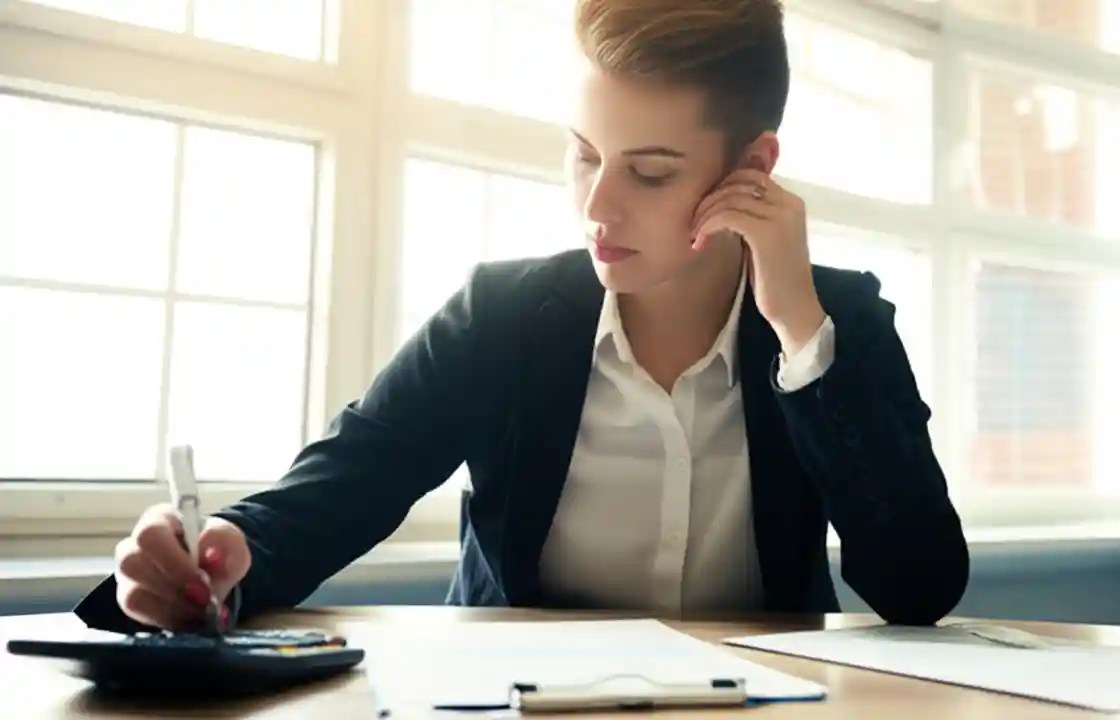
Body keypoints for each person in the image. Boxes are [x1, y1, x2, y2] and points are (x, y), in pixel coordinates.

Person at [75, 0, 968, 634]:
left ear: (753, 168)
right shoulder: (501, 318)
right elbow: (342, 486)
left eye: (649, 172)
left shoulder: (838, 323)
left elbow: (919, 586)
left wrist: (800, 334)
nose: (598, 208)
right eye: (584, 155)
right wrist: (219, 553)